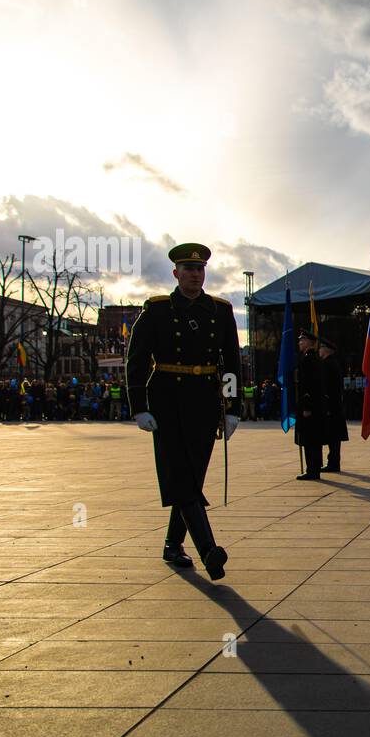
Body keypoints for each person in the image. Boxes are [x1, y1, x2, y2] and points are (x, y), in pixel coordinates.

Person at [125, 242, 240, 581]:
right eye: (188, 269)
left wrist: (231, 408)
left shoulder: (220, 311)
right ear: (176, 273)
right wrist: (139, 407)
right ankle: (209, 550)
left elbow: (231, 362)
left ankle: (172, 544)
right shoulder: (158, 310)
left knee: (191, 477)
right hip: (167, 400)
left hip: (204, 401)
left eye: (200, 269)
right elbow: (136, 360)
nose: (195, 274)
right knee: (181, 474)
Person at [294, 328, 323, 480]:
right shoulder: (315, 358)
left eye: (301, 340)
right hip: (315, 405)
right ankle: (314, 467)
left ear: (308, 342)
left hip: (309, 406)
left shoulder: (307, 360)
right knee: (314, 439)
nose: (299, 343)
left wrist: (306, 406)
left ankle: (312, 469)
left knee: (309, 439)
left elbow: (308, 386)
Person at [318, 337, 349, 472]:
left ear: (326, 350)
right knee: (334, 437)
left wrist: (326, 406)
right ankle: (334, 462)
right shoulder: (334, 363)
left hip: (330, 406)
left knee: (332, 437)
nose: (319, 350)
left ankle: (333, 463)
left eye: (321, 348)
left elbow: (326, 387)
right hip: (335, 405)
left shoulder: (327, 364)